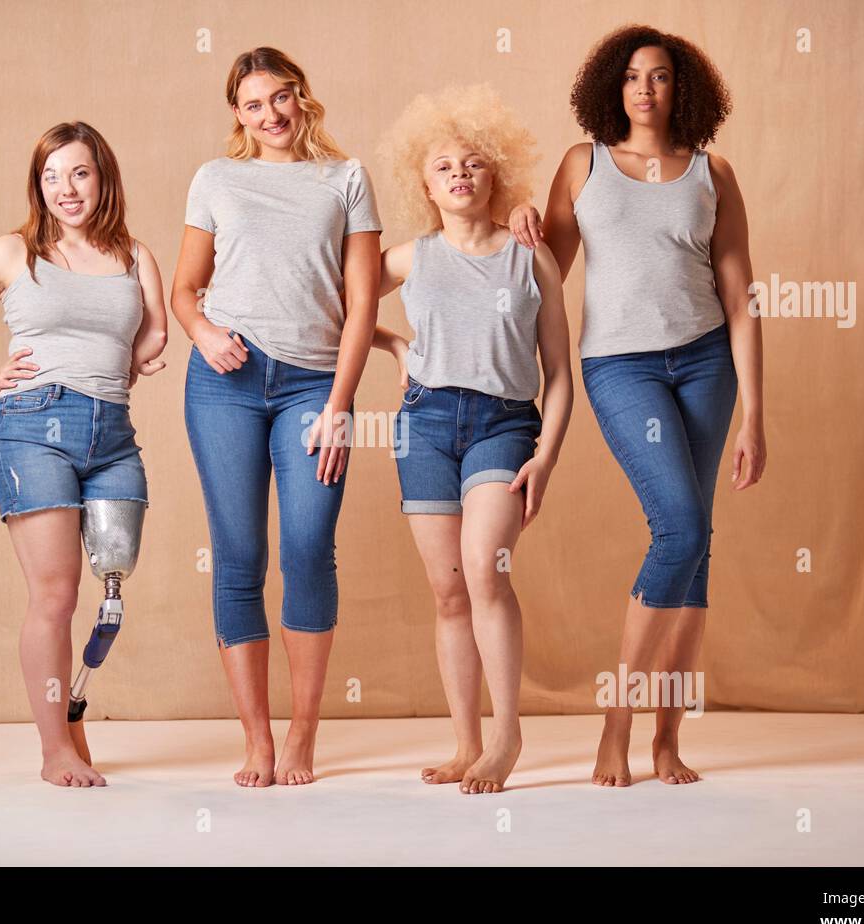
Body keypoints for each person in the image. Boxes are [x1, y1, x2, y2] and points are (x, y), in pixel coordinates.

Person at [510, 24, 766, 786]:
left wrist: (756, 411)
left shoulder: (712, 173)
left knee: (697, 553)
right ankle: (615, 726)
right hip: (620, 367)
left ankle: (666, 741)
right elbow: (548, 273)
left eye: (658, 77)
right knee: (679, 527)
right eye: (631, 78)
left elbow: (741, 300)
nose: (645, 90)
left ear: (680, 88)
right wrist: (521, 226)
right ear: (610, 89)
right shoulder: (582, 164)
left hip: (707, 364)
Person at [0, 121, 168, 787]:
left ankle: (73, 714)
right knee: (56, 594)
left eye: (79, 173)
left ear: (101, 176)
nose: (66, 189)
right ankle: (55, 749)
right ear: (37, 185)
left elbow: (156, 326)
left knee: (112, 591)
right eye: (51, 176)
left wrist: (138, 356)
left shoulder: (136, 255)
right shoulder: (11, 252)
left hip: (112, 436)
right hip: (31, 427)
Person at [171, 47, 382, 787]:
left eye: (282, 97)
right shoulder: (216, 178)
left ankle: (303, 735)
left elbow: (363, 305)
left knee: (307, 547)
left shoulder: (346, 178)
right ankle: (257, 739)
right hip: (225, 382)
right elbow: (185, 290)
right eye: (254, 104)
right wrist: (203, 334)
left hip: (312, 388)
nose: (272, 115)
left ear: (303, 96)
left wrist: (338, 404)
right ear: (238, 113)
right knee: (237, 558)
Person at [371, 84, 574, 794]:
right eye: (442, 166)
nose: (459, 174)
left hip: (504, 424)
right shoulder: (409, 258)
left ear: (497, 174)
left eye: (473, 164)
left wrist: (545, 456)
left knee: (485, 571)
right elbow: (330, 302)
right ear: (422, 184)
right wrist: (393, 344)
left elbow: (559, 375)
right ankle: (464, 744)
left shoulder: (531, 257)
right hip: (424, 423)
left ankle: (506, 736)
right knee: (448, 590)